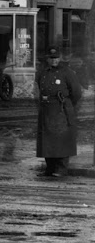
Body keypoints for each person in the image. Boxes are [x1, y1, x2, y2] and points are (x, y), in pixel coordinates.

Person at [36, 44, 83, 176]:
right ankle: (50, 167)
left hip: (61, 109)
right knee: (47, 140)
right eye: (51, 58)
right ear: (47, 59)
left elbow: (76, 93)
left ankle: (61, 168)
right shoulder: (43, 72)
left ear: (60, 58)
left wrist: (67, 104)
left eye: (56, 58)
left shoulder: (67, 72)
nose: (54, 60)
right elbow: (38, 89)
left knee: (62, 138)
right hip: (47, 109)